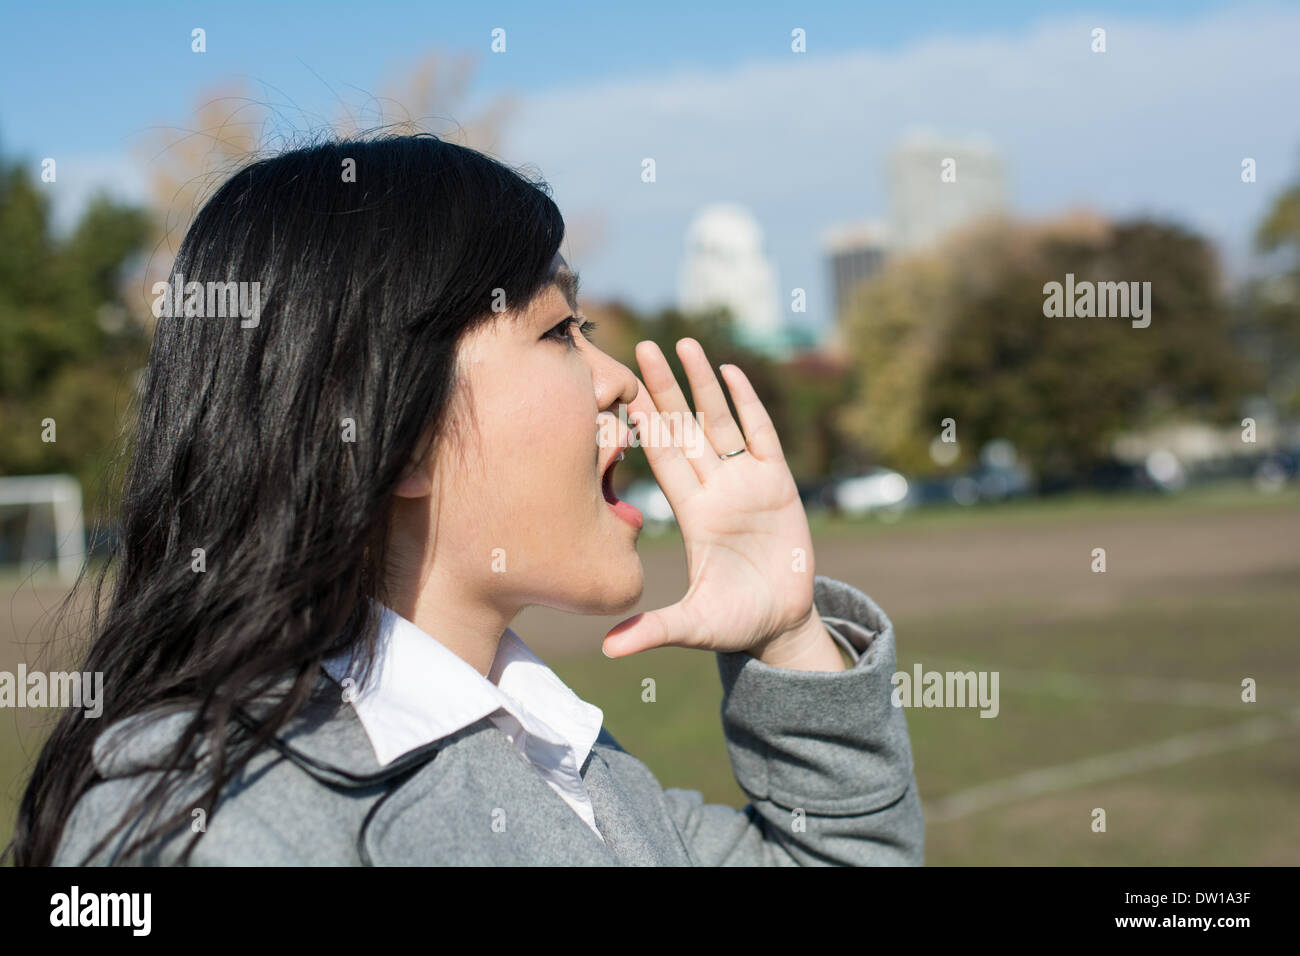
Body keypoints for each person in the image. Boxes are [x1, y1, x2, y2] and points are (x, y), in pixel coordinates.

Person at [7, 133, 923, 866]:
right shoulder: (219, 825)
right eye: (561, 330)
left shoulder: (567, 760)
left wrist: (787, 631)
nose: (619, 384)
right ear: (390, 427)